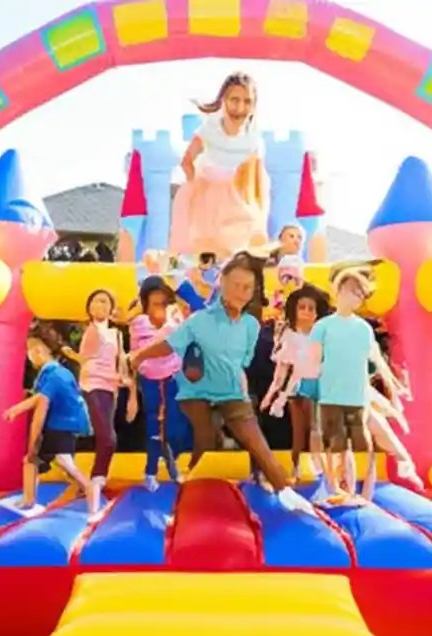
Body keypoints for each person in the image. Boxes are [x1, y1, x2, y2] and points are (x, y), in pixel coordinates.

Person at [127, 253, 310, 513]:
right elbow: (168, 344)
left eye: (247, 287)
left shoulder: (250, 325)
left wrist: (239, 384)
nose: (241, 292)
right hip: (197, 392)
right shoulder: (200, 320)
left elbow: (242, 361)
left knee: (255, 440)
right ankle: (184, 482)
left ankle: (285, 491)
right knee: (204, 435)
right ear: (222, 283)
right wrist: (139, 356)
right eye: (236, 285)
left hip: (230, 392)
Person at [309, 267, 394, 502]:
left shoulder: (363, 328)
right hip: (330, 396)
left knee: (363, 446)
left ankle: (364, 493)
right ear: (339, 291)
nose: (356, 297)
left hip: (356, 397)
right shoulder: (323, 326)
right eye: (352, 291)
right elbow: (314, 360)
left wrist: (389, 388)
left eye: (360, 294)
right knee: (334, 446)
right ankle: (336, 490)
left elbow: (373, 360)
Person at [170, 72, 270, 261]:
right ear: (224, 100)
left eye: (247, 102)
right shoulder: (211, 128)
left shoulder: (253, 141)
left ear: (254, 106)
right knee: (206, 242)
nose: (240, 108)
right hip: (208, 194)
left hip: (236, 197)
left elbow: (257, 183)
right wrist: (195, 186)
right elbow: (187, 160)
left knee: (235, 243)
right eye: (234, 100)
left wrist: (258, 214)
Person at [3, 325, 100, 515]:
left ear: (41, 350)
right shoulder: (58, 373)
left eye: (32, 349)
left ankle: (88, 489)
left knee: (42, 460)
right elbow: (39, 397)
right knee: (52, 462)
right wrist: (17, 409)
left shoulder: (54, 375)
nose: (30, 354)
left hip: (58, 426)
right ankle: (31, 499)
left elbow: (42, 405)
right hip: (66, 426)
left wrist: (33, 438)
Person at [260, 284, 333, 499]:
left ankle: (320, 472)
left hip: (318, 384)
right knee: (298, 430)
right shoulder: (290, 337)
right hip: (297, 385)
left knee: (316, 428)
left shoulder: (322, 336)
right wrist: (271, 395)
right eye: (302, 307)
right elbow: (281, 372)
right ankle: (297, 469)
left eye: (311, 308)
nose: (307, 312)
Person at [128, 276, 190, 491]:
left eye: (162, 300)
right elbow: (140, 352)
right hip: (151, 379)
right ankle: (151, 471)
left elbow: (179, 340)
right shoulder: (139, 323)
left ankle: (171, 462)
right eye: (154, 300)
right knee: (154, 426)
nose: (159, 305)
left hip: (173, 376)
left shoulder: (175, 317)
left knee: (176, 427)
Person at [77, 289, 129, 493]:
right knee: (108, 437)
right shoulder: (91, 331)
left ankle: (96, 479)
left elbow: (121, 360)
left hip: (110, 387)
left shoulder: (116, 334)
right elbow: (85, 362)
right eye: (96, 301)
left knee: (105, 437)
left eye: (105, 302)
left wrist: (125, 380)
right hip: (92, 386)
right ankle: (96, 480)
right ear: (89, 308)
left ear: (111, 308)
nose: (100, 305)